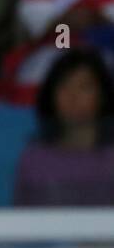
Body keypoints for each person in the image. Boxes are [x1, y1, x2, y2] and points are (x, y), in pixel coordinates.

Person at [13, 48, 114, 205]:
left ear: (102, 96)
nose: (72, 96)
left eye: (84, 87)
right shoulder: (34, 160)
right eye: (64, 86)